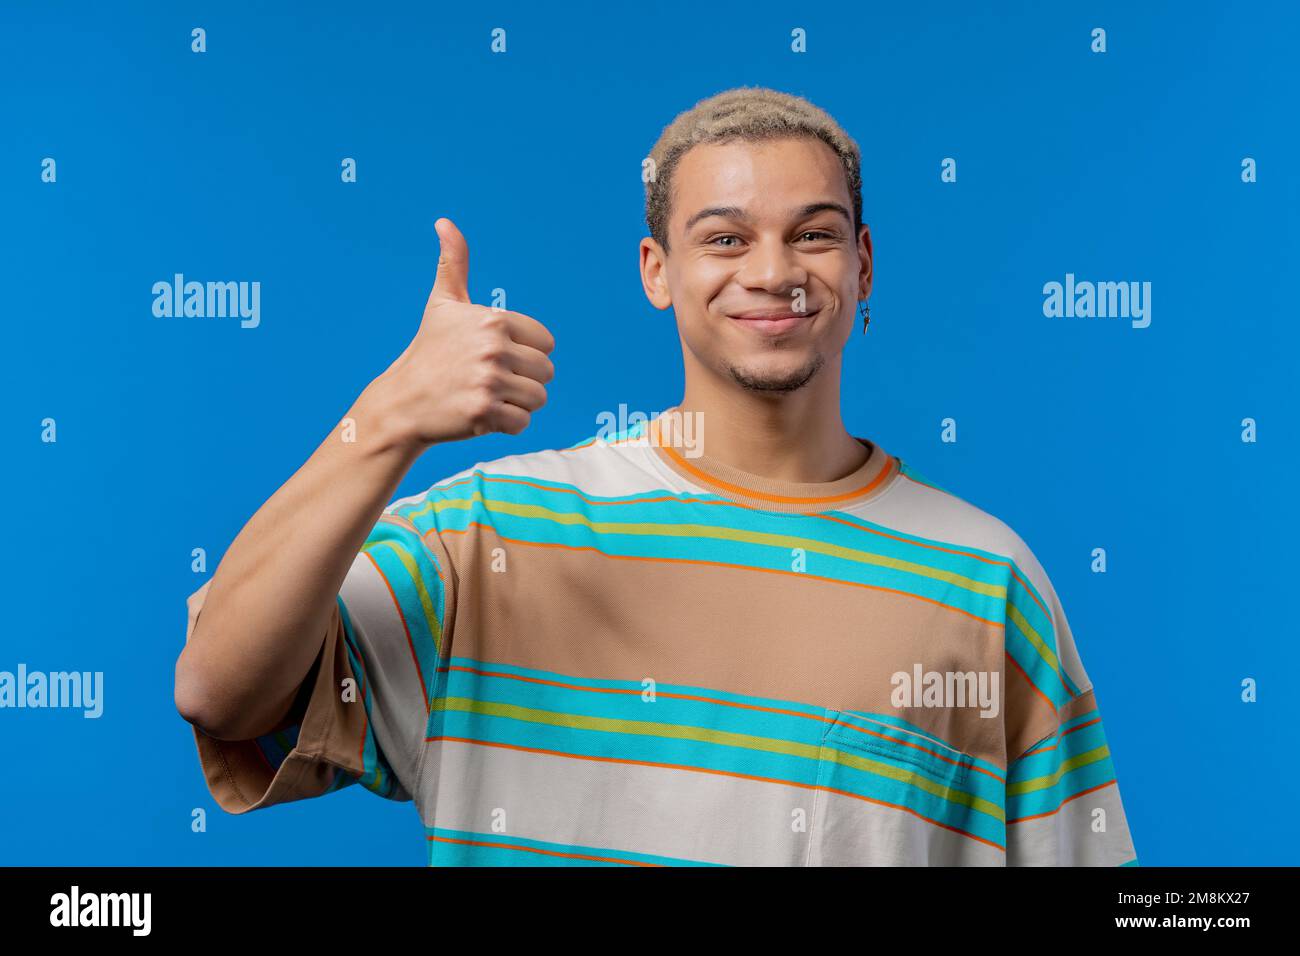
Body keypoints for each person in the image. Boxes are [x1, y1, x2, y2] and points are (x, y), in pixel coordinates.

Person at [174, 85, 1138, 866]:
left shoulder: (986, 580)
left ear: (864, 264)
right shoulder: (488, 537)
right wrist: (383, 423)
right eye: (724, 238)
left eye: (814, 233)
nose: (774, 271)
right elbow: (221, 691)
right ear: (656, 270)